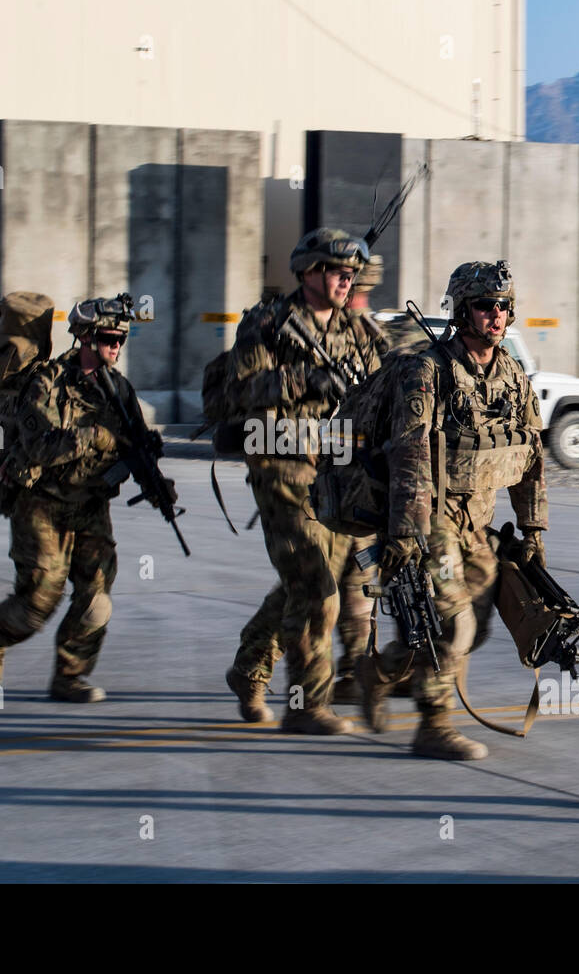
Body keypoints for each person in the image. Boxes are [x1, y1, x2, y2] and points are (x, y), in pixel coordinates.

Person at [359, 260, 547, 759]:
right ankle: (434, 725)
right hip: (431, 519)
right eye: (486, 305)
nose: (497, 315)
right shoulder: (428, 370)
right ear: (462, 311)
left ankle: (379, 672)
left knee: (477, 627)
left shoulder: (511, 375)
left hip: (478, 523)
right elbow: (409, 450)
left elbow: (530, 455)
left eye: (504, 306)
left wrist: (533, 529)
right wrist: (406, 530)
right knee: (453, 624)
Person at [223, 227, 382, 733]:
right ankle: (306, 706)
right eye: (338, 272)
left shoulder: (358, 330)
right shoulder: (267, 323)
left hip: (340, 471)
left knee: (313, 581)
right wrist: (304, 378)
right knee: (316, 590)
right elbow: (242, 389)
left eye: (352, 274)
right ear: (309, 271)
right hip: (282, 466)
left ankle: (250, 667)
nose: (346, 280)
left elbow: (384, 383)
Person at [0, 294, 169, 703]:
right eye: (108, 337)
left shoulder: (119, 389)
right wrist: (96, 437)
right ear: (84, 336)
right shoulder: (46, 381)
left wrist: (154, 481)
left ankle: (70, 675)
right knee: (38, 603)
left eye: (121, 339)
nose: (116, 346)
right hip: (42, 503)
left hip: (91, 505)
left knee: (97, 597)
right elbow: (40, 447)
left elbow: (130, 446)